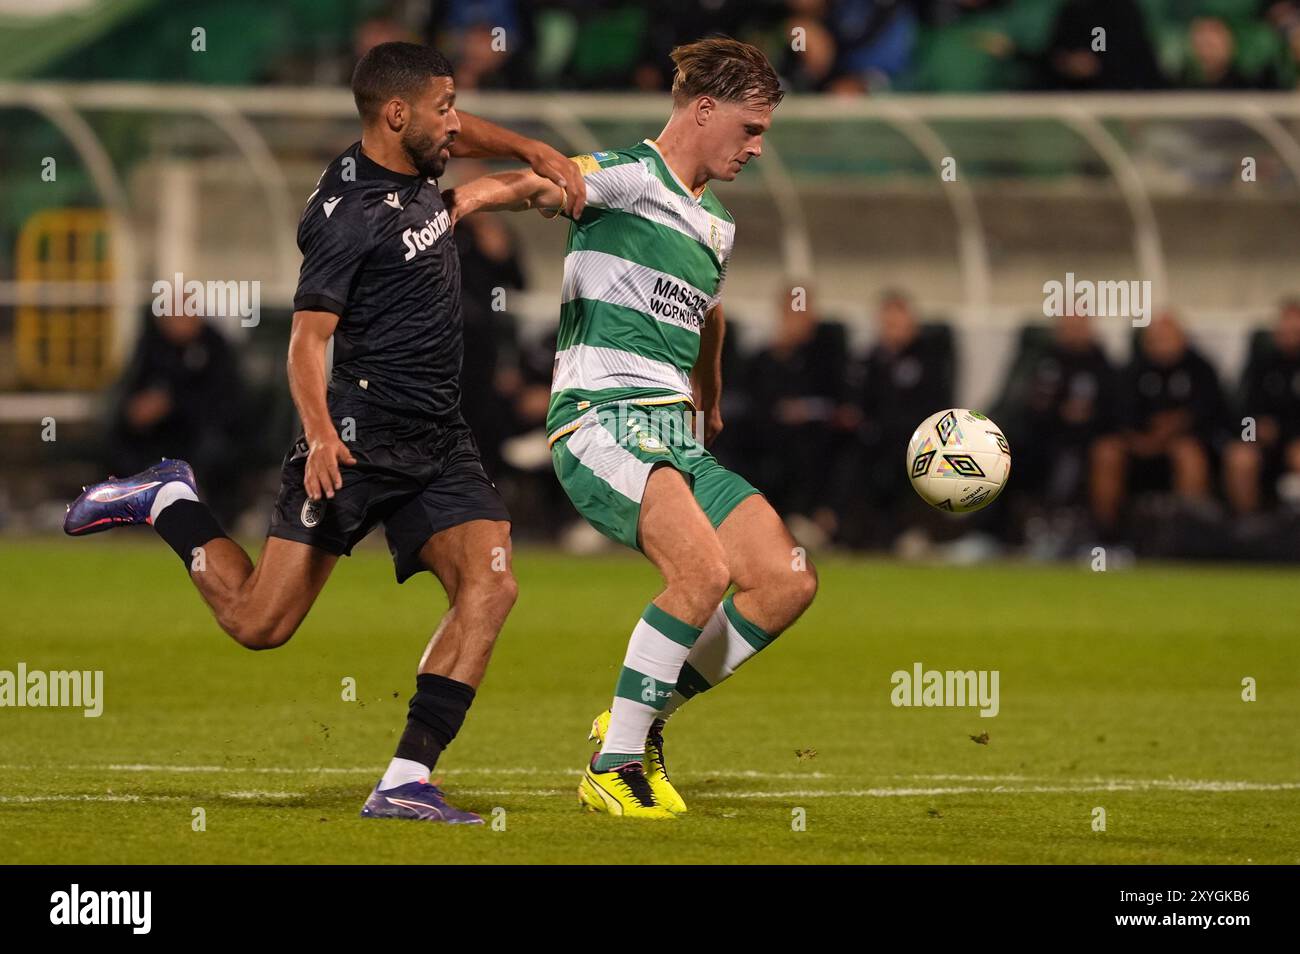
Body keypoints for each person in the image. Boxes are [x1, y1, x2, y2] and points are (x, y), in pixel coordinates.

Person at [64, 42, 587, 825]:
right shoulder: (345, 218)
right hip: (357, 439)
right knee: (258, 624)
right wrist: (318, 437)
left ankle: (406, 779)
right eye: (443, 110)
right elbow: (308, 340)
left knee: (492, 584)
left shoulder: (419, 166)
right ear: (396, 115)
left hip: (439, 440)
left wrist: (529, 161)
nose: (456, 124)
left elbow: (462, 167)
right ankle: (169, 501)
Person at [444, 36, 818, 819]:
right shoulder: (626, 175)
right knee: (702, 574)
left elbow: (708, 316)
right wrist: (477, 197)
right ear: (704, 110)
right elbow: (550, 185)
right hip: (600, 421)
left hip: (675, 435)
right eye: (749, 130)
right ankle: (613, 769)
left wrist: (709, 394)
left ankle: (638, 717)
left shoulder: (716, 224)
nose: (756, 147)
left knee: (785, 581)